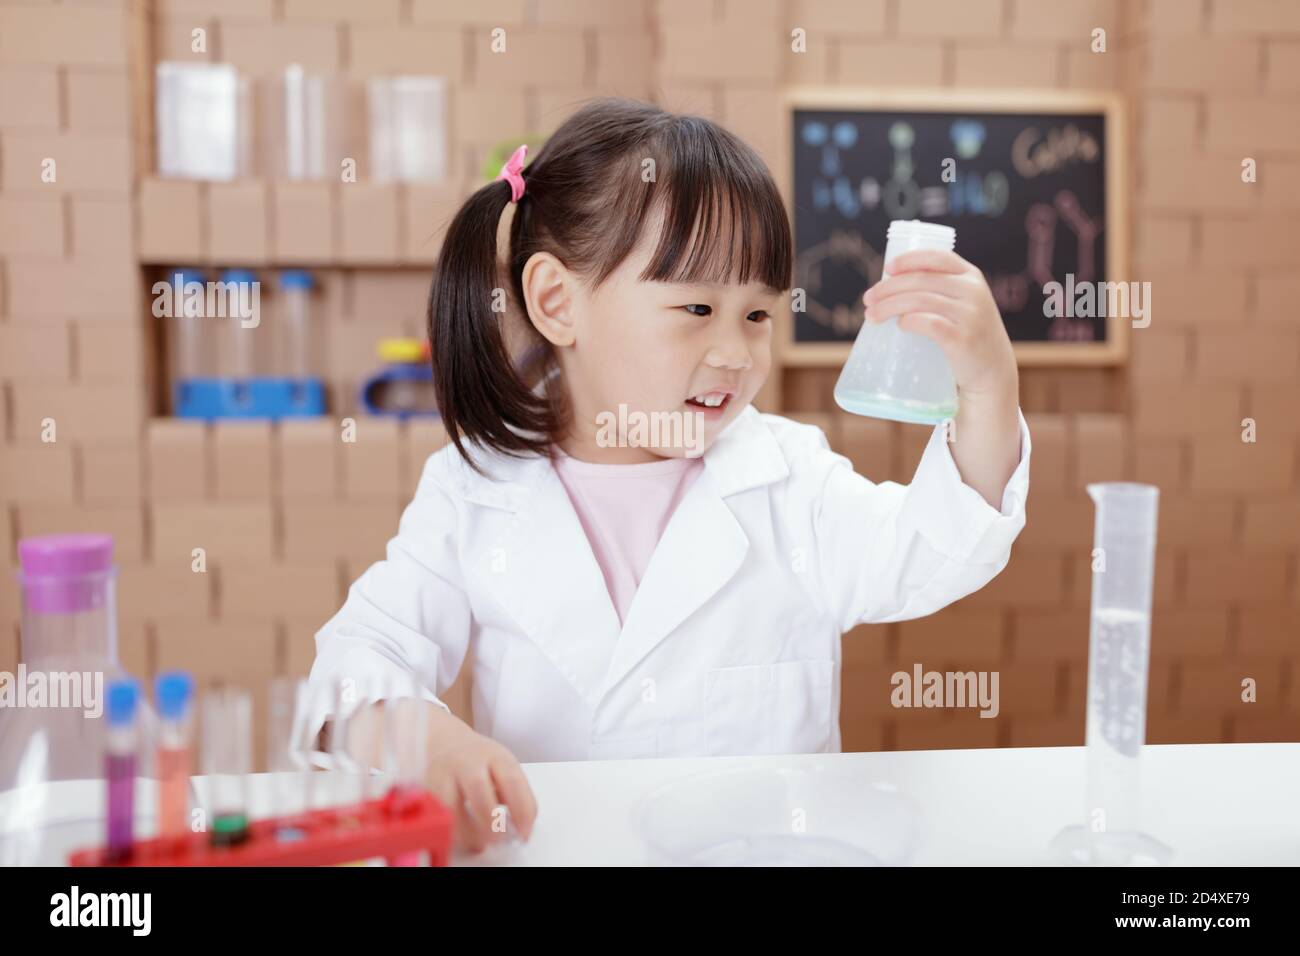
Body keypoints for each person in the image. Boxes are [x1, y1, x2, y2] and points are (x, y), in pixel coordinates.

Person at [302, 98, 1031, 853]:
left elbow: (938, 548)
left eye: (757, 315)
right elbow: (357, 661)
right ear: (557, 302)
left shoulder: (789, 482)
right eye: (696, 306)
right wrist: (422, 735)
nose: (736, 353)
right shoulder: (473, 490)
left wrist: (988, 385)